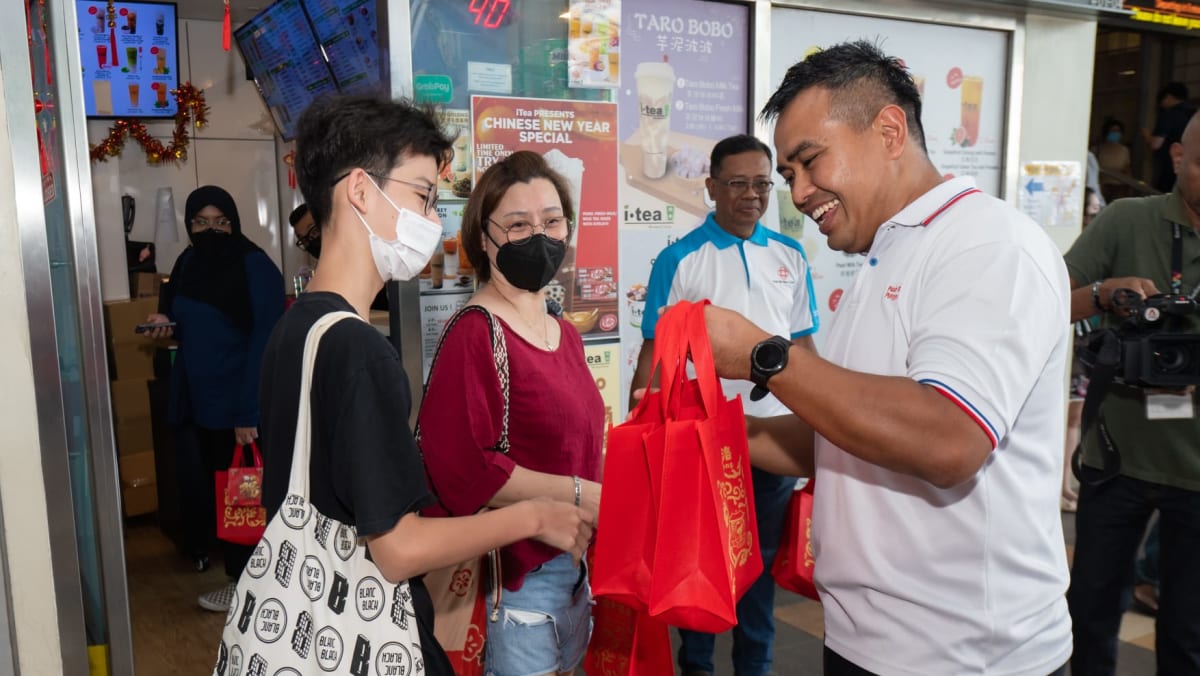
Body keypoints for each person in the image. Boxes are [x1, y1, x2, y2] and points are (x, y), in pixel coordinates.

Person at [693, 41, 1073, 674]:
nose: (801, 191)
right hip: (863, 641)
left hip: (968, 658)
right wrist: (712, 434)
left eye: (810, 161)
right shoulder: (881, 258)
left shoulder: (989, 245)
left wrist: (765, 356)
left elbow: (949, 441)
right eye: (789, 175)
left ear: (890, 130)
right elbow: (839, 436)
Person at [257, 95, 594, 676]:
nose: (431, 220)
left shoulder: (298, 328)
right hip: (364, 633)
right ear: (361, 191)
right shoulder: (361, 350)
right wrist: (535, 517)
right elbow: (397, 550)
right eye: (420, 194)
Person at [628, 133, 818, 676]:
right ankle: (698, 667)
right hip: (703, 448)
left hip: (774, 445)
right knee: (701, 571)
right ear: (711, 187)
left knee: (755, 578)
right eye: (738, 183)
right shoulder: (679, 258)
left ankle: (755, 666)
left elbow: (804, 349)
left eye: (762, 183)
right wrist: (644, 437)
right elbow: (656, 359)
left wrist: (819, 427)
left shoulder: (791, 255)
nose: (752, 195)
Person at [417, 150, 603, 676]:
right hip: (513, 586)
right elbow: (465, 470)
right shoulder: (475, 333)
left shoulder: (562, 332)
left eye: (550, 221)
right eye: (518, 224)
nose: (537, 236)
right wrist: (581, 494)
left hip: (574, 571)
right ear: (483, 238)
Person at [1063, 110, 1200, 675]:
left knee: (1189, 635)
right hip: (1116, 457)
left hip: (1196, 474)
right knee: (1089, 617)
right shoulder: (1126, 219)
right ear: (1178, 158)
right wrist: (1103, 295)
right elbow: (1044, 302)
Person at [142, 185, 286, 611]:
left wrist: (248, 411)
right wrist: (163, 322)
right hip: (198, 403)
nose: (211, 231)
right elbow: (181, 317)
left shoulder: (255, 267)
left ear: (235, 222)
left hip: (239, 406)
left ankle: (248, 587)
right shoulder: (187, 263)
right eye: (200, 223)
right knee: (219, 493)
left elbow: (265, 341)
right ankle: (240, 577)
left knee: (245, 497)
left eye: (221, 222)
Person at [1063, 188, 1104, 513]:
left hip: (1089, 341)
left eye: (1095, 208)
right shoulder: (1074, 256)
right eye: (1089, 208)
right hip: (1073, 343)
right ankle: (1061, 484)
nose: (1093, 212)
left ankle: (1066, 484)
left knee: (1075, 415)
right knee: (1069, 415)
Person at [1144, 82, 1193, 193]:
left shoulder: (1169, 115)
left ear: (1168, 97)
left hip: (1171, 171)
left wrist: (1147, 137)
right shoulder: (1195, 114)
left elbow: (1156, 144)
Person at [1093, 119, 1131, 202]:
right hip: (1102, 186)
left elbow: (1127, 170)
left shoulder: (1124, 150)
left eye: (1118, 131)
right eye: (1113, 130)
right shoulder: (1097, 149)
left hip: (1119, 187)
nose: (1115, 133)